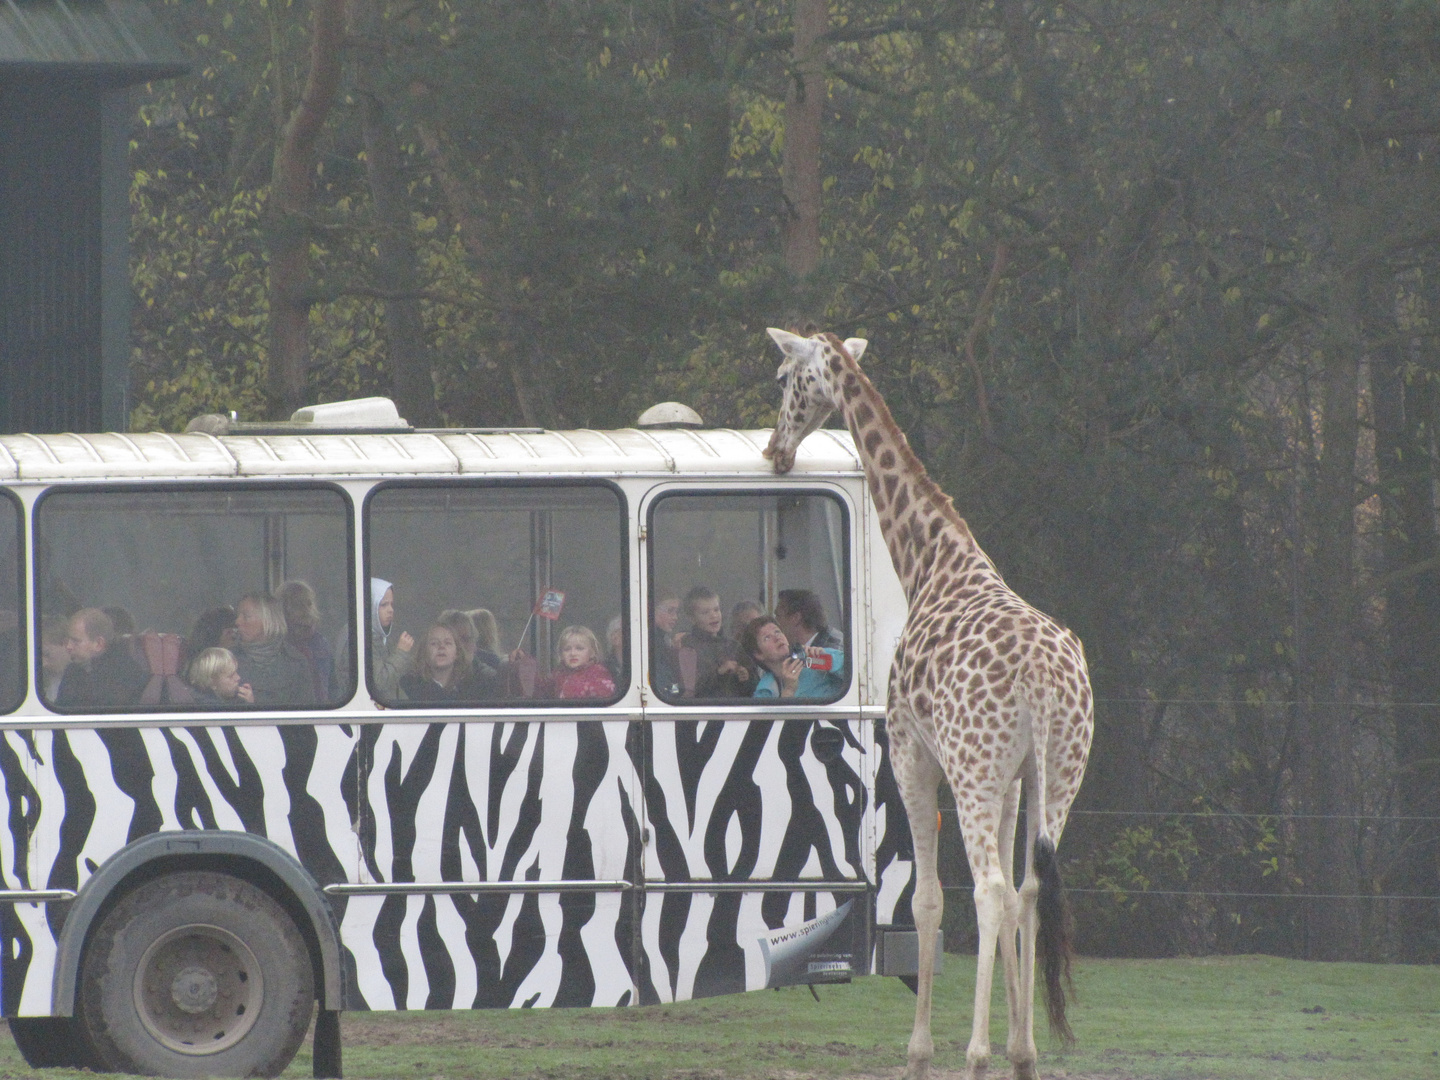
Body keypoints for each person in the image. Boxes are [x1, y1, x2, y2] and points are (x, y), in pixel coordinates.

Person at [233, 593, 315, 707]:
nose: (237, 621)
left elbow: (306, 710)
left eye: (246, 616)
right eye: (238, 616)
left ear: (268, 620)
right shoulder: (227, 660)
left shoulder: (296, 661)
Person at [55, 607, 147, 708]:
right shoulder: (72, 671)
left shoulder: (125, 673)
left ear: (98, 644)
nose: (68, 646)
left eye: (76, 641)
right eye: (67, 640)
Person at [741, 616, 845, 700]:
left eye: (777, 632)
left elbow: (857, 674)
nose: (777, 637)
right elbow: (769, 724)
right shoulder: (764, 691)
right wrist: (789, 691)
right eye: (767, 638)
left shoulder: (815, 658)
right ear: (759, 654)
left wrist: (828, 660)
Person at [679, 587, 749, 697]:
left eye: (716, 610)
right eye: (705, 612)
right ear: (692, 618)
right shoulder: (688, 646)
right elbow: (689, 688)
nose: (713, 615)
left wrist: (745, 675)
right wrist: (719, 672)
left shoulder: (733, 646)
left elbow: (752, 686)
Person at [279, 580, 334, 702]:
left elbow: (333, 688)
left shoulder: (321, 644)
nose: (306, 611)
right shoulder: (278, 647)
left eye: (309, 604)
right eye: (298, 605)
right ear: (284, 611)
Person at [399, 623, 475, 701]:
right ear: (424, 652)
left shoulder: (472, 687)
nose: (441, 646)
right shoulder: (409, 686)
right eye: (434, 643)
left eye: (447, 643)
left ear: (457, 653)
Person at [371, 578, 414, 699]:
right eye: (383, 604)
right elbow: (380, 683)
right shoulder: (360, 639)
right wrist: (401, 653)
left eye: (391, 604)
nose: (390, 610)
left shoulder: (379, 637)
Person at [547, 625, 615, 699]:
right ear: (561, 654)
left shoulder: (598, 674)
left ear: (592, 653)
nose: (573, 653)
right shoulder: (557, 675)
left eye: (579, 648)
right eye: (567, 649)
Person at [775, 589, 843, 651]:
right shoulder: (799, 650)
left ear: (795, 618)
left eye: (778, 616)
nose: (775, 622)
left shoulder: (833, 652)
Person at [186, 647, 255, 706]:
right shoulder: (211, 708)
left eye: (236, 672)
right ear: (212, 683)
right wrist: (250, 707)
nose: (238, 678)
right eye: (231, 676)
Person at [650, 594, 682, 697]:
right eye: (670, 611)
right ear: (651, 610)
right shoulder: (651, 643)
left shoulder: (664, 640)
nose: (675, 617)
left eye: (676, 612)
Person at [40, 615, 71, 701]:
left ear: (65, 644)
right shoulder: (40, 681)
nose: (43, 663)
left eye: (47, 654)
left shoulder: (84, 682)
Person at [604, 614, 624, 684]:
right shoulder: (604, 666)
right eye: (613, 632)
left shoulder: (642, 662)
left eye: (621, 631)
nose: (615, 636)